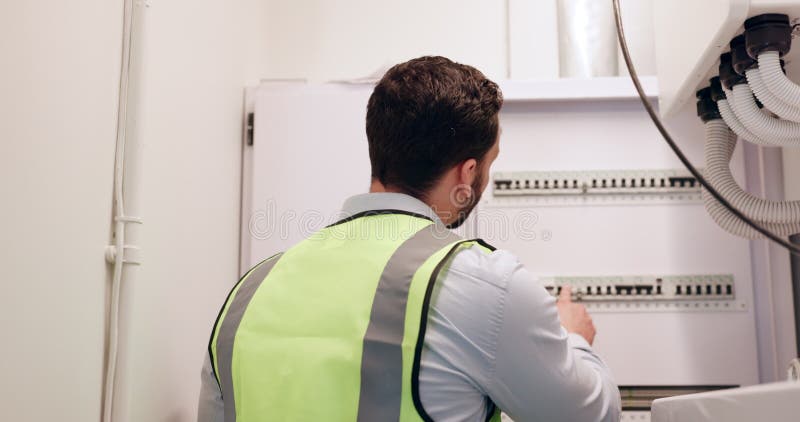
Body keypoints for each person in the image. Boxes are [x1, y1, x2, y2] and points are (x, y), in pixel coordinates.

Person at [198, 56, 621, 422]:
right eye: (489, 165)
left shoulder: (248, 292)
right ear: (468, 173)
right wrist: (574, 340)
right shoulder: (487, 285)